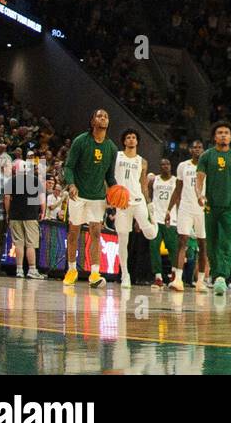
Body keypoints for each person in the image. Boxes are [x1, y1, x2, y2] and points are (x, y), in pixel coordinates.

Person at [62, 109, 117, 288]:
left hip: (98, 196)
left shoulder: (112, 148)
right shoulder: (80, 141)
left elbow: (110, 177)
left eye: (106, 116)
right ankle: (71, 270)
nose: (103, 118)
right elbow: (69, 167)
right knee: (73, 233)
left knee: (96, 232)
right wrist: (71, 184)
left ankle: (94, 273)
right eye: (100, 116)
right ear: (93, 121)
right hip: (78, 194)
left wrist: (115, 191)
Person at [195, 121, 231, 296]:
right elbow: (199, 179)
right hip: (210, 206)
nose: (223, 135)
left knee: (225, 243)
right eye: (220, 132)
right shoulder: (206, 156)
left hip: (230, 207)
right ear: (214, 137)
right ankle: (216, 274)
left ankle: (220, 278)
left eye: (226, 132)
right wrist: (199, 194)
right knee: (211, 243)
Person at [112, 130, 158, 289]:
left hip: (138, 201)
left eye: (133, 138)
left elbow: (143, 183)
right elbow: (109, 176)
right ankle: (125, 274)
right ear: (124, 141)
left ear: (137, 141)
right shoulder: (117, 156)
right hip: (121, 202)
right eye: (128, 137)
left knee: (150, 234)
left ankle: (154, 220)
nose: (131, 140)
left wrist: (149, 202)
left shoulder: (142, 161)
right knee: (123, 241)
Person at [168, 140, 208, 292]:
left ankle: (201, 281)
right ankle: (178, 279)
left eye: (200, 147)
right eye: (194, 147)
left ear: (203, 150)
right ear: (190, 150)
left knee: (203, 244)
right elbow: (177, 189)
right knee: (182, 242)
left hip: (202, 209)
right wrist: (169, 209)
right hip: (185, 207)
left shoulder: (208, 166)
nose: (197, 149)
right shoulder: (182, 166)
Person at [8, 149, 45, 279]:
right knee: (31, 244)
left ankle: (19, 270)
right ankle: (32, 269)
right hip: (31, 216)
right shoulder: (35, 180)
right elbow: (41, 198)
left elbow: (7, 198)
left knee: (18, 243)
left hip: (15, 215)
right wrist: (43, 211)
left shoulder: (11, 180)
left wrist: (8, 213)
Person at [148, 158, 179, 287]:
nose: (165, 166)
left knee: (173, 248)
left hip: (171, 218)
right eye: (162, 164)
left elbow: (179, 198)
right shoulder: (154, 179)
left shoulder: (176, 180)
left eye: (167, 164)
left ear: (171, 166)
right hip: (156, 218)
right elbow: (148, 195)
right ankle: (158, 277)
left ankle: (174, 274)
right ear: (159, 167)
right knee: (154, 247)